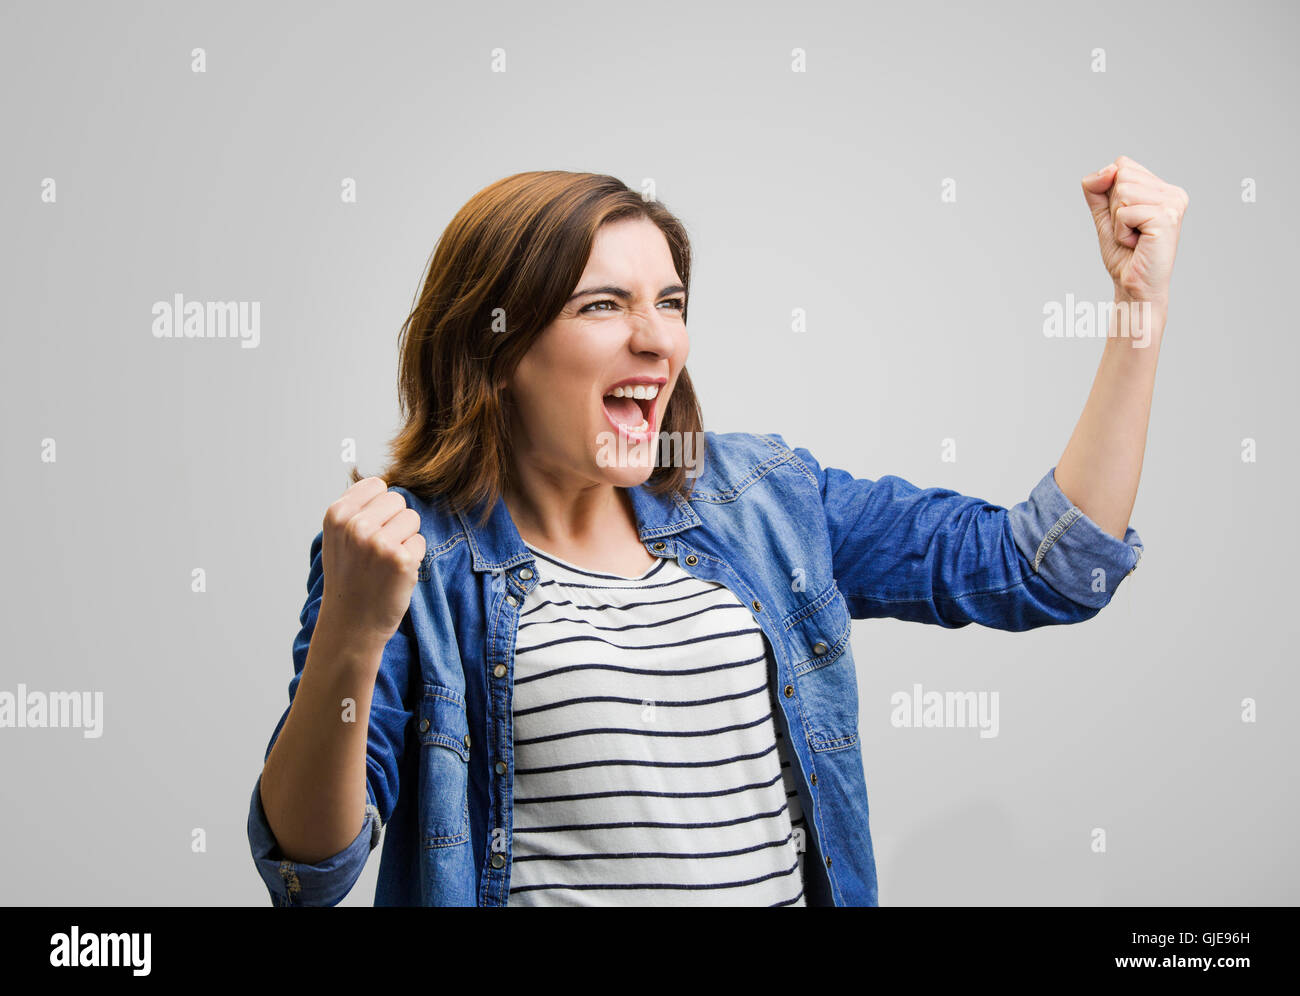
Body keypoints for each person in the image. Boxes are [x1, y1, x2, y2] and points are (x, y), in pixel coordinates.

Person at [247, 164, 1187, 906]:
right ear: (494, 349)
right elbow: (309, 868)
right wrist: (355, 634)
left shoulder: (766, 499)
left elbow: (1045, 569)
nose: (657, 339)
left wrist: (1138, 313)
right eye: (603, 305)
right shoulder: (414, 560)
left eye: (671, 301)